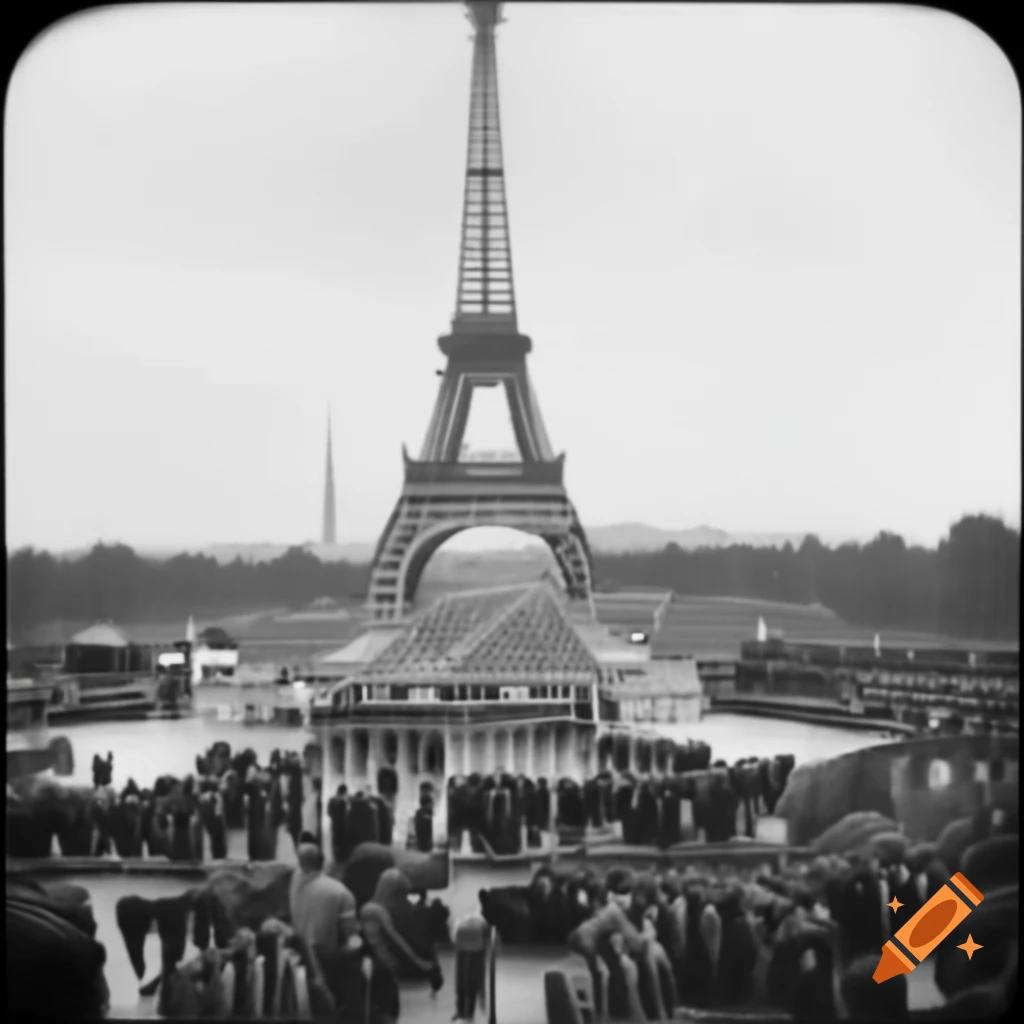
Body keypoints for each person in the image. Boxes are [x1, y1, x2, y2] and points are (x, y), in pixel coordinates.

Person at [289, 839, 359, 999]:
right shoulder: (340, 892)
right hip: (326, 958)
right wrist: (360, 945)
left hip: (299, 951)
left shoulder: (295, 881)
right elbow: (351, 935)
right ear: (325, 862)